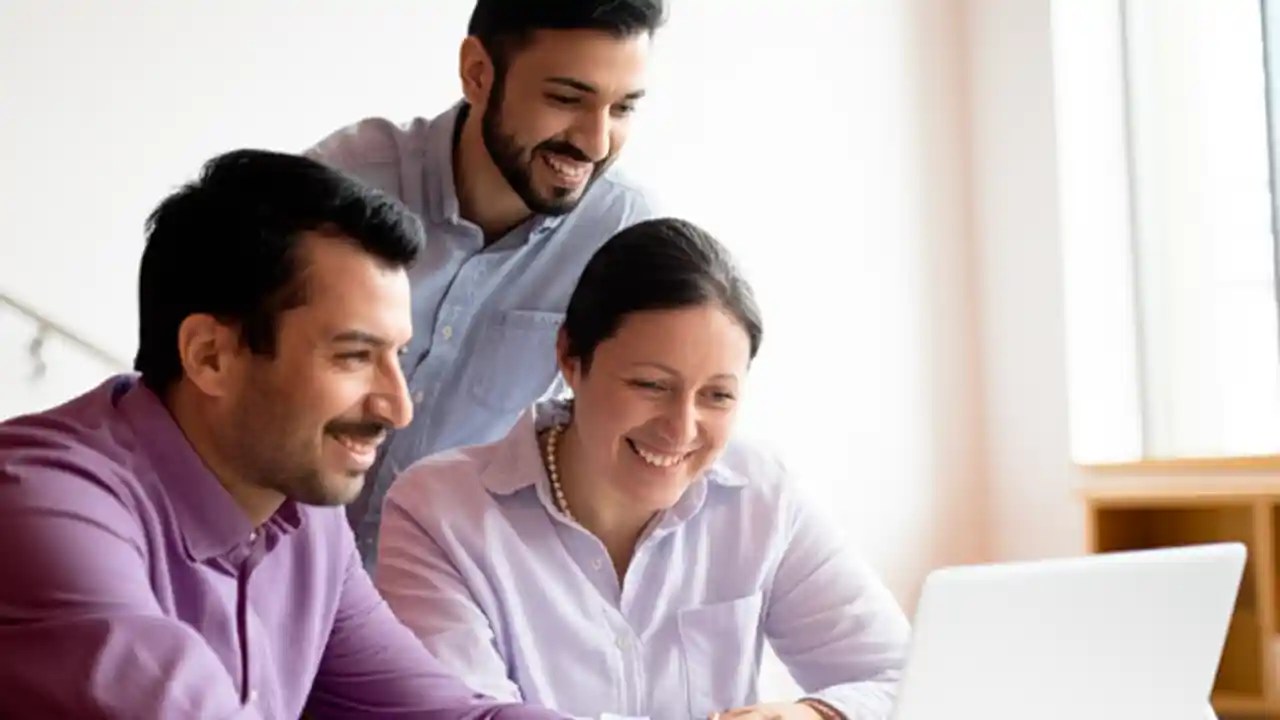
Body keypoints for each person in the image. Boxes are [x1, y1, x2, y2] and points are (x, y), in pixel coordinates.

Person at [0, 149, 568, 720]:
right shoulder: (41, 503)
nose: (397, 408)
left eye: (396, 354)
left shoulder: (303, 520)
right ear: (210, 355)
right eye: (353, 356)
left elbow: (449, 713)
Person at [375, 218, 912, 720]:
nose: (681, 429)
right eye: (651, 386)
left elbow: (904, 678)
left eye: (717, 396)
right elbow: (467, 716)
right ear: (569, 358)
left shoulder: (761, 493)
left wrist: (813, 715)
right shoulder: (438, 512)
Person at [306, 0, 664, 563]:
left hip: (440, 590)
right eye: (567, 99)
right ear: (478, 72)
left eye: (622, 109)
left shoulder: (621, 236)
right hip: (276, 568)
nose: (595, 144)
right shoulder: (343, 185)